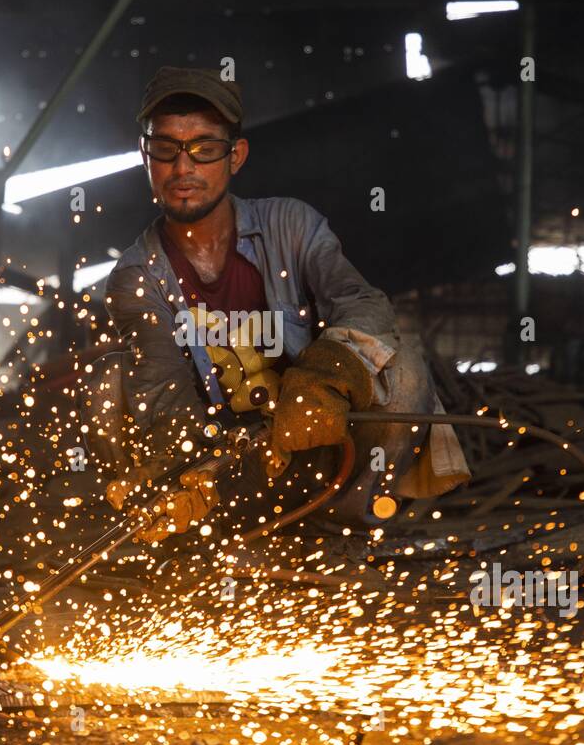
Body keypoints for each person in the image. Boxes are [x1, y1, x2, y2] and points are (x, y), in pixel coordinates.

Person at [83, 66, 471, 554]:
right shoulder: (136, 276)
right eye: (166, 149)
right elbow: (160, 387)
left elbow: (364, 304)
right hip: (225, 462)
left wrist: (324, 378)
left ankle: (343, 532)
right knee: (106, 384)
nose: (183, 169)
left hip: (319, 443)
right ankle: (196, 535)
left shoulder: (291, 224)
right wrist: (191, 469)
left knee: (405, 365)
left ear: (235, 157)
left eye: (204, 149)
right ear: (146, 157)